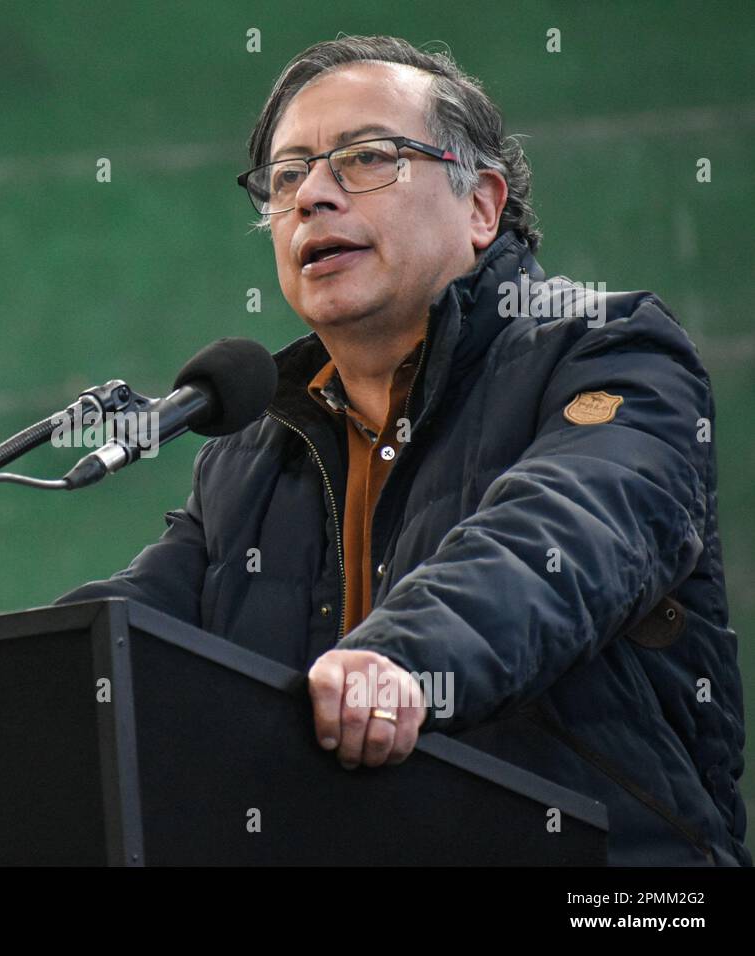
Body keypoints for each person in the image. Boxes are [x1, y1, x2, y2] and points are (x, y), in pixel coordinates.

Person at [54, 35, 749, 866]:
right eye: (286, 176)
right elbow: (128, 635)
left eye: (365, 158)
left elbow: (561, 536)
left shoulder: (610, 352)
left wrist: (401, 660)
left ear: (482, 205)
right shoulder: (249, 454)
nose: (312, 195)